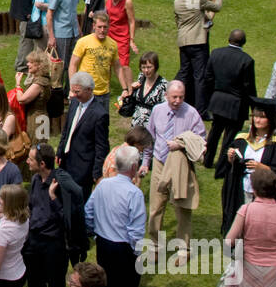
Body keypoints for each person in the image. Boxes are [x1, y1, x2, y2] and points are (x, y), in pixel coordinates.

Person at [23, 144, 86, 287]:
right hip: (35, 243)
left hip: (54, 245)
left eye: (31, 159)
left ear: (42, 164)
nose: (27, 162)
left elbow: (67, 219)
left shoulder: (60, 186)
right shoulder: (34, 180)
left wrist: (52, 198)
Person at [84, 145, 147, 287]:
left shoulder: (102, 186)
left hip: (104, 245)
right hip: (123, 250)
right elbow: (136, 232)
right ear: (134, 167)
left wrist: (95, 232)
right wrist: (136, 255)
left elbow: (88, 212)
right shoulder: (134, 193)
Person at [140, 80, 206, 255]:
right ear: (166, 95)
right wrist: (145, 163)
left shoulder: (191, 113)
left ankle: (184, 248)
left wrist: (182, 145)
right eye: (174, 97)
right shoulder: (157, 111)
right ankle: (155, 247)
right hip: (160, 162)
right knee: (156, 207)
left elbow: (201, 140)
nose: (177, 101)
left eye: (181, 97)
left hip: (180, 164)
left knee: (182, 207)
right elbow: (149, 138)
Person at [217, 98, 276, 235]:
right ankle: (236, 248)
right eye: (255, 116)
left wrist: (262, 167)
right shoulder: (242, 138)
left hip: (263, 190)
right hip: (241, 185)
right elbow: (231, 165)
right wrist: (231, 157)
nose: (257, 120)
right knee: (239, 217)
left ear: (270, 120)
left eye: (262, 117)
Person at [203, 29, 258, 169]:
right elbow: (248, 86)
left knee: (214, 132)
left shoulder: (216, 53)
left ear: (229, 39)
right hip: (236, 104)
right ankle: (222, 166)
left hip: (218, 100)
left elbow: (208, 77)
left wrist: (211, 96)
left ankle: (208, 160)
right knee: (230, 137)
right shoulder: (247, 60)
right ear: (244, 42)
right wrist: (254, 107)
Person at [57, 72, 110, 202]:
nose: (74, 95)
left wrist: (97, 173)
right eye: (73, 91)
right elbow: (67, 130)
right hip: (66, 162)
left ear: (89, 90)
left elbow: (101, 146)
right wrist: (60, 151)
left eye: (77, 92)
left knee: (78, 205)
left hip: (83, 168)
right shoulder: (74, 103)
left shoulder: (99, 114)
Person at [173, 0, 223, 114]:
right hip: (198, 42)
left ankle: (176, 100)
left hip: (183, 41)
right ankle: (200, 109)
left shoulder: (177, 1)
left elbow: (198, 14)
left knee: (184, 73)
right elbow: (217, 7)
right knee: (199, 77)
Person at [69, 11, 123, 111]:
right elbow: (73, 64)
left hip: (103, 93)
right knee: (82, 124)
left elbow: (118, 67)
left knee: (101, 124)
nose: (102, 30)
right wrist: (72, 88)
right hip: (84, 91)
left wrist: (125, 88)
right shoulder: (83, 42)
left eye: (105, 27)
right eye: (99, 27)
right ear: (94, 26)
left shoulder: (113, 44)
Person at [43, 0, 85, 71]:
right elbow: (49, 14)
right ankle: (59, 86)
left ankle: (70, 87)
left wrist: (78, 29)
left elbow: (73, 11)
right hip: (62, 33)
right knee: (61, 64)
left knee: (74, 63)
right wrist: (51, 37)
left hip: (74, 32)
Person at [119, 51, 167, 130]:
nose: (146, 71)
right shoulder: (141, 77)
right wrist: (132, 91)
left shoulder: (163, 85)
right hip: (136, 125)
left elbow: (164, 110)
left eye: (149, 67)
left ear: (155, 66)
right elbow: (135, 100)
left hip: (151, 127)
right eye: (143, 67)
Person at [13, 48, 52, 144]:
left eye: (30, 62)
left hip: (38, 120)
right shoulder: (40, 79)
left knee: (36, 148)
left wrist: (18, 85)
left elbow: (22, 99)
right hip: (38, 117)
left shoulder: (39, 83)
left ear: (39, 65)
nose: (27, 64)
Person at [105, 0, 137, 92]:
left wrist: (131, 40)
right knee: (107, 62)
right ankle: (105, 88)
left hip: (122, 35)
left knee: (124, 64)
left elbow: (132, 21)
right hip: (109, 34)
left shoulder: (127, 1)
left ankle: (130, 90)